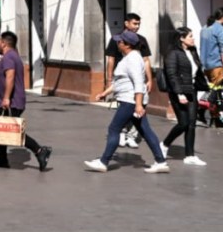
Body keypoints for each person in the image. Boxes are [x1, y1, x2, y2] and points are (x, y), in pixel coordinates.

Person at [86, 30, 169, 174]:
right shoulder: (129, 58)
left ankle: (103, 162)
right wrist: (104, 93)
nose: (117, 43)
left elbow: (138, 82)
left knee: (114, 129)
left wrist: (138, 104)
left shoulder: (133, 59)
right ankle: (160, 161)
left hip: (130, 101)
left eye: (120, 41)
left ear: (127, 44)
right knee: (145, 130)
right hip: (132, 100)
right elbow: (120, 81)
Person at [0, 31, 52, 171]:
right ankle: (1, 158)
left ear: (4, 43)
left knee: (13, 130)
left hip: (12, 101)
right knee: (1, 127)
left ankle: (40, 151)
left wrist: (6, 97)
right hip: (14, 100)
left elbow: (10, 76)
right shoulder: (13, 55)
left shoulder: (9, 57)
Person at [105, 12, 152, 148]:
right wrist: (109, 79)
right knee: (124, 106)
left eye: (138, 24)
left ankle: (132, 135)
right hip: (123, 79)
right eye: (134, 23)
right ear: (126, 23)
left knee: (138, 106)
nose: (137, 26)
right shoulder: (116, 39)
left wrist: (149, 79)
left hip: (137, 77)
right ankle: (122, 132)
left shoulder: (141, 40)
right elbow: (111, 59)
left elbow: (146, 60)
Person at [162, 27, 208, 165]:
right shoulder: (173, 53)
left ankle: (190, 156)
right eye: (190, 36)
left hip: (191, 90)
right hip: (179, 92)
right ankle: (164, 144)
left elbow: (196, 71)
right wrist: (179, 93)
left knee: (192, 124)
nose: (193, 38)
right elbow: (172, 75)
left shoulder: (192, 51)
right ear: (182, 38)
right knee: (183, 123)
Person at [199, 7, 223, 128]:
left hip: (206, 66)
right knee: (215, 93)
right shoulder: (221, 29)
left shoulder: (205, 28)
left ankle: (213, 117)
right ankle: (202, 111)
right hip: (216, 65)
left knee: (213, 92)